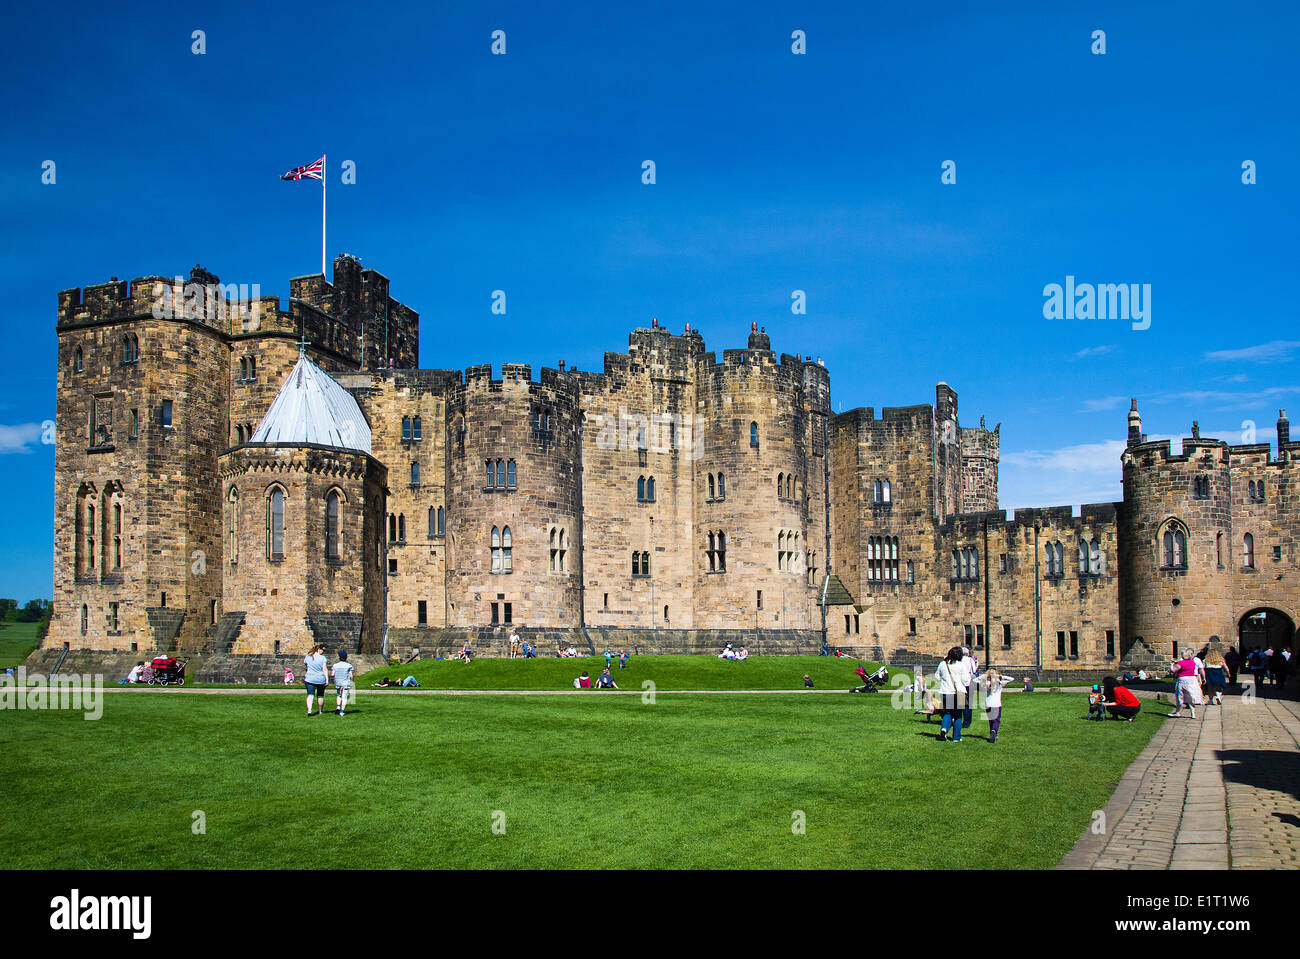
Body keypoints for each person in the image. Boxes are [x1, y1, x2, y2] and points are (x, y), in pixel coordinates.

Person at [934, 647, 971, 742]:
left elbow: (937, 677)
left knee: (947, 712)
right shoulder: (961, 665)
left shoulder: (943, 664)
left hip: (945, 691)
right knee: (958, 715)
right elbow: (966, 679)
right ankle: (956, 737)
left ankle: (944, 729)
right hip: (958, 692)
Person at [979, 668, 1014, 742]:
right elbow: (1012, 679)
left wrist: (985, 676)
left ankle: (994, 734)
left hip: (988, 704)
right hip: (996, 704)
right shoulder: (1000, 683)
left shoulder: (987, 683)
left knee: (991, 720)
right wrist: (1001, 676)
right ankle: (994, 731)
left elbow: (975, 680)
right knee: (996, 720)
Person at [1169, 649, 1201, 719]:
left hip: (1182, 680)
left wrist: (1172, 664)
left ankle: (1177, 712)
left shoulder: (1181, 663)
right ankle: (1193, 714)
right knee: (1190, 696)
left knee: (1180, 696)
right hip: (1192, 680)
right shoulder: (1193, 662)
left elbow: (1173, 670)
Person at [304, 644, 329, 716]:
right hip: (320, 679)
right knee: (320, 695)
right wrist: (327, 679)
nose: (323, 652)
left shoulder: (308, 657)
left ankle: (309, 711)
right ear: (319, 650)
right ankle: (320, 711)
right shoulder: (322, 658)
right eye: (323, 650)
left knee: (310, 695)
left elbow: (306, 667)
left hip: (309, 678)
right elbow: (324, 669)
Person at [332, 649, 355, 715]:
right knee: (344, 697)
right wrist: (352, 682)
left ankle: (338, 706)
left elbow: (332, 674)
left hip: (338, 682)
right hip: (345, 683)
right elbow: (351, 675)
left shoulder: (335, 665)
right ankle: (342, 711)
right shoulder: (349, 665)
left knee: (339, 695)